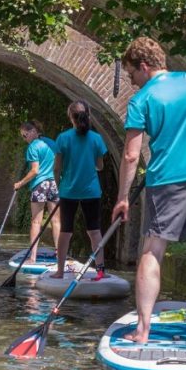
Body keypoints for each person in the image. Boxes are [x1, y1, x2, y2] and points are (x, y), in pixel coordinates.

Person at [111, 37, 186, 345]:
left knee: (152, 251)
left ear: (144, 66)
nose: (132, 82)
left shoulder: (142, 100)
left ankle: (142, 330)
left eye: (131, 75)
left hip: (167, 180)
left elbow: (130, 155)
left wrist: (123, 198)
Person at [50, 100, 108, 280]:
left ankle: (59, 272)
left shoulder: (63, 138)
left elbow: (57, 168)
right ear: (88, 115)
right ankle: (100, 271)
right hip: (91, 191)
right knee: (94, 231)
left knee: (65, 232)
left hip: (68, 190)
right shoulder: (97, 139)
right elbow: (100, 166)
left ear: (70, 118)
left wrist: (59, 188)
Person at [14, 120, 60, 263]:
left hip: (40, 185)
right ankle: (60, 255)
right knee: (56, 221)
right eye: (23, 136)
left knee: (36, 222)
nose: (24, 139)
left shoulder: (33, 147)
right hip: (53, 184)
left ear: (34, 131)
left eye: (25, 135)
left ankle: (33, 257)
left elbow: (35, 171)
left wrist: (20, 183)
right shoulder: (51, 143)